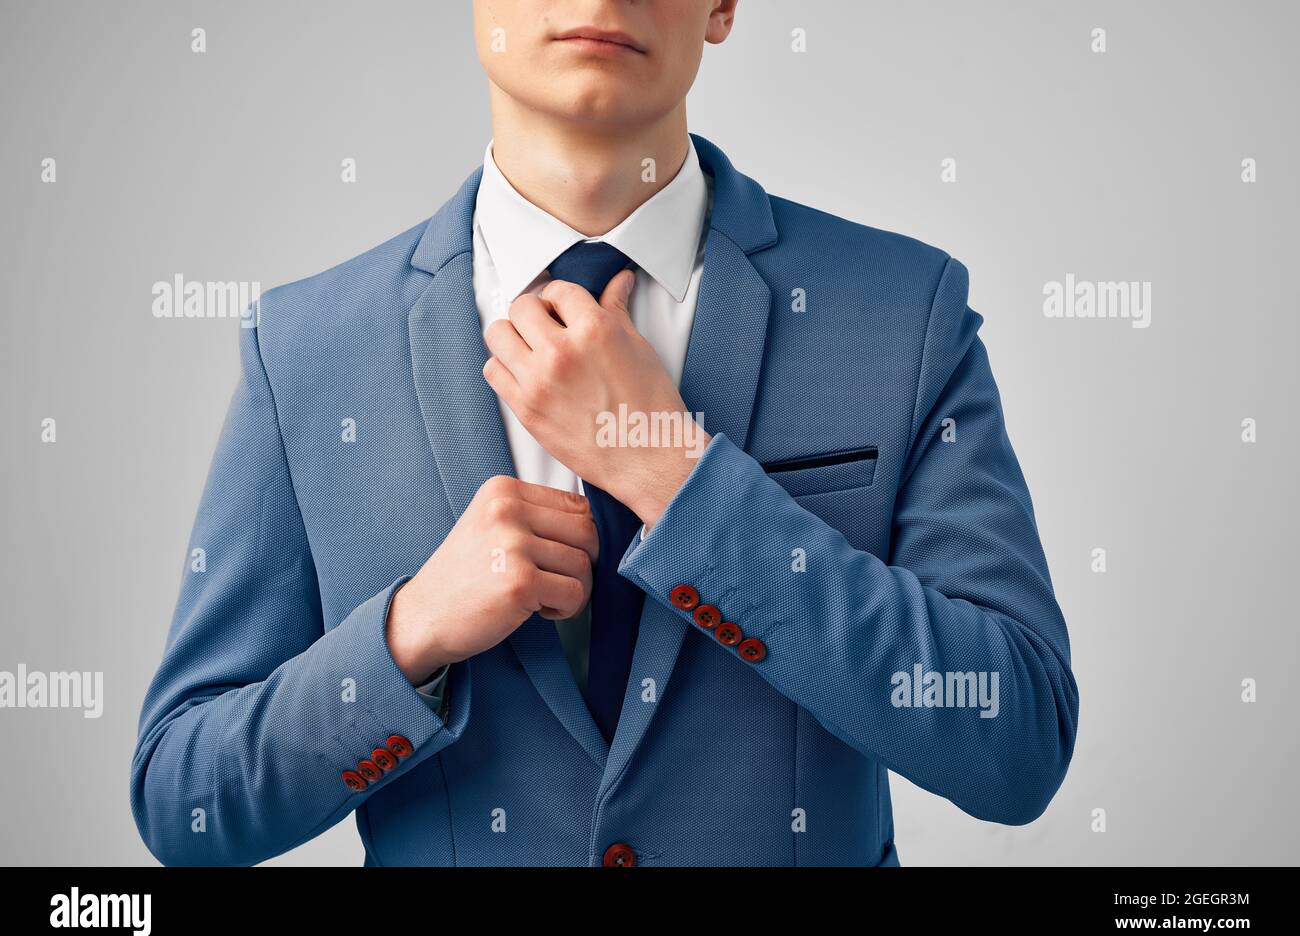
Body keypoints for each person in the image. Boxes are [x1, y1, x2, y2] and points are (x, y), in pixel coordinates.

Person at [132, 0, 1079, 867]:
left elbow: (1017, 739)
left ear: (721, 6)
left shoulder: (900, 312)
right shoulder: (307, 351)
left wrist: (680, 481)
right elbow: (184, 798)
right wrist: (407, 633)